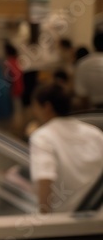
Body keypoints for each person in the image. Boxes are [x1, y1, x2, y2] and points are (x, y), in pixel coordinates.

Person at [28, 84, 103, 213]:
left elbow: (45, 180)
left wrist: (44, 220)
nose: (34, 112)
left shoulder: (42, 137)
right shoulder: (94, 133)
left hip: (67, 221)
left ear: (47, 107)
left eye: (35, 107)